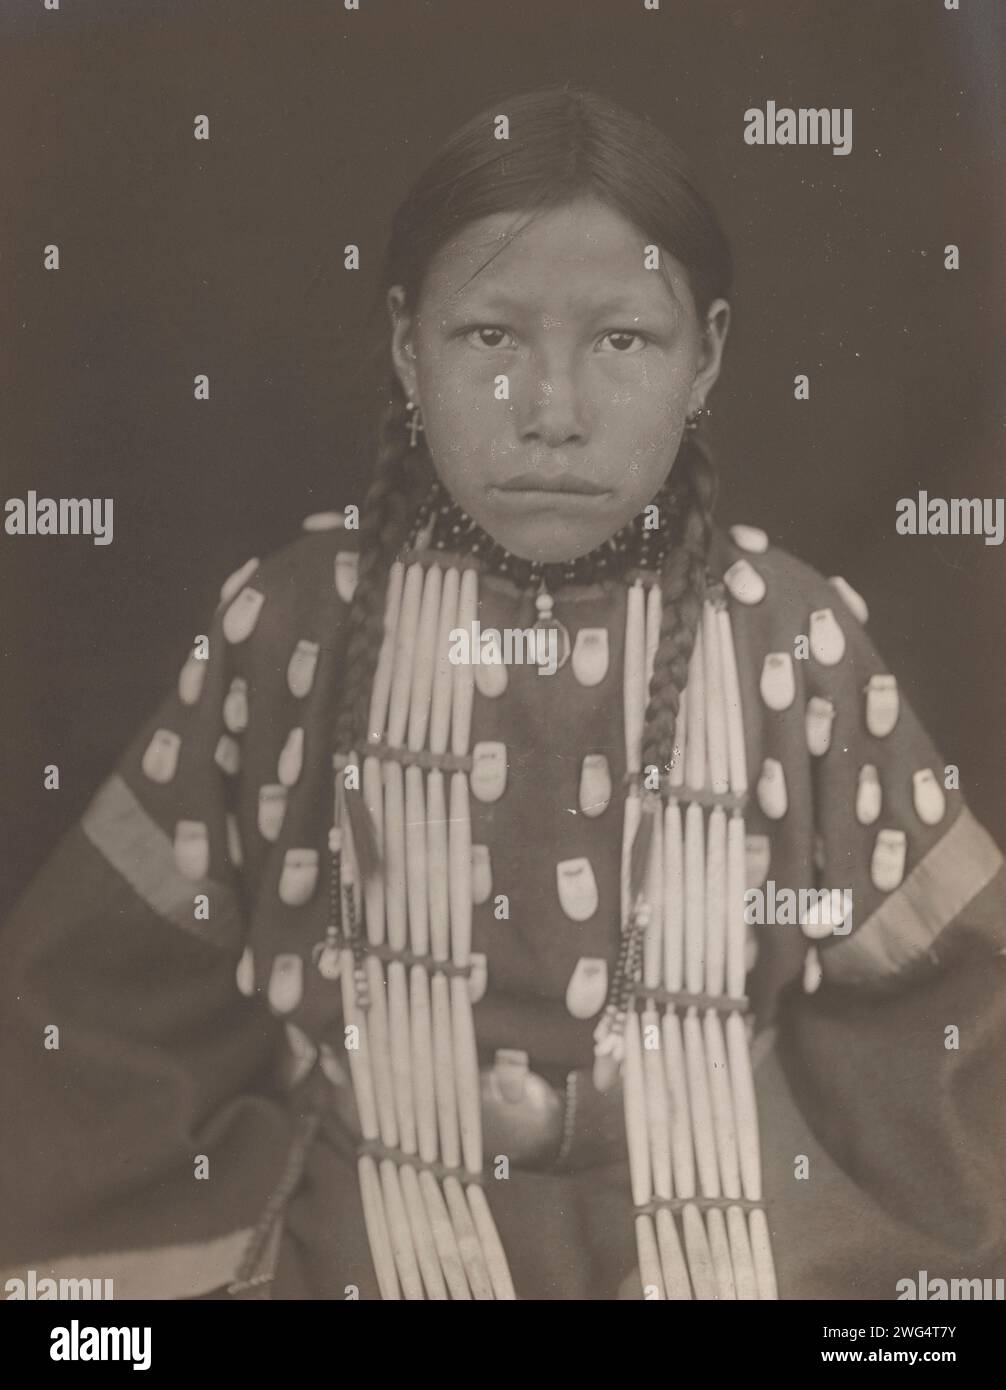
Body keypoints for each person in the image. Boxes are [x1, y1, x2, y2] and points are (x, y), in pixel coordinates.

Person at [2, 84, 1005, 1302]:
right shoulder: (298, 625)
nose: (552, 413)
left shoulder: (789, 638)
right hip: (358, 1235)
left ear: (709, 358)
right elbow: (90, 999)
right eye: (489, 338)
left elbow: (958, 1003)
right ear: (404, 347)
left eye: (622, 340)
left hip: (729, 1226)